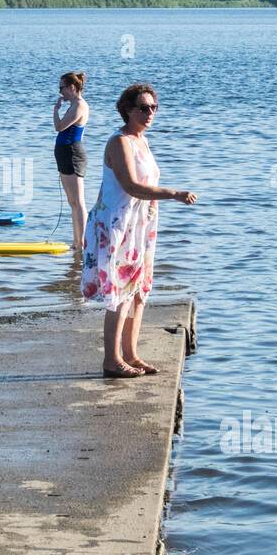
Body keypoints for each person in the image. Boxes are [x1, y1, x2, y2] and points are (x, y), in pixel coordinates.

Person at [82, 84, 197, 378]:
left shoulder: (142, 141)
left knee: (139, 291)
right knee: (119, 292)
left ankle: (131, 354)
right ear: (127, 110)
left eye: (154, 108)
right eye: (143, 108)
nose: (150, 113)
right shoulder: (119, 142)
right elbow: (130, 186)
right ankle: (112, 359)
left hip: (142, 225)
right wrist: (173, 193)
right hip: (117, 225)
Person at [54, 72, 90, 251]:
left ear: (72, 88)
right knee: (72, 202)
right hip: (64, 153)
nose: (60, 92)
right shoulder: (73, 105)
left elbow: (59, 127)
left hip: (73, 153)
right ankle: (76, 242)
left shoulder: (80, 106)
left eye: (62, 88)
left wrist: (55, 110)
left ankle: (81, 242)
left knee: (78, 200)